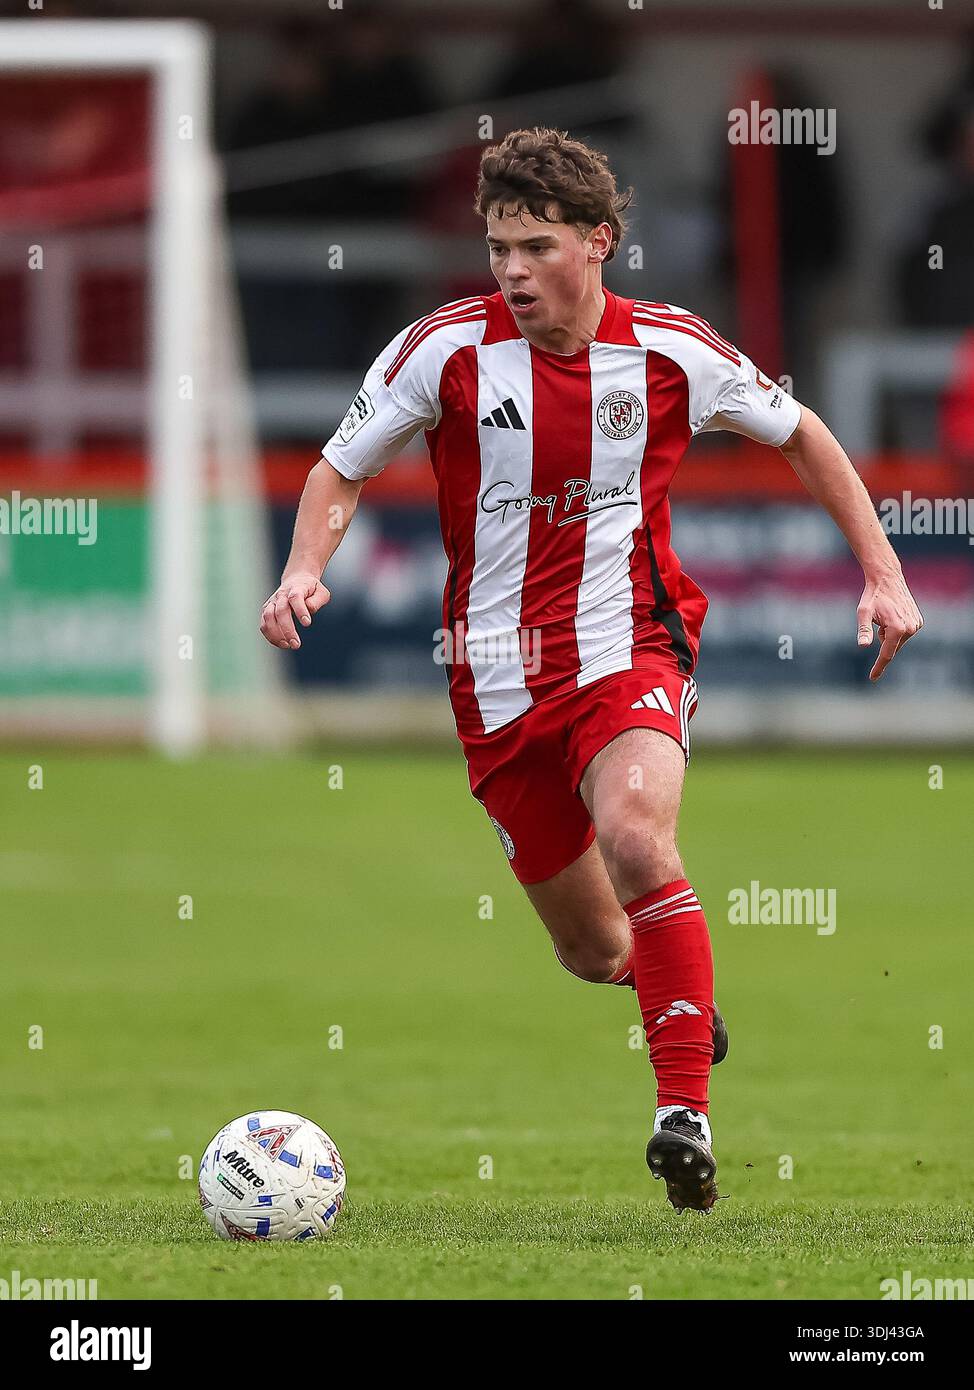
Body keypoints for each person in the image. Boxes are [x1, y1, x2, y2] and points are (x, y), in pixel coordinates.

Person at [260, 128, 923, 1214]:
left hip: (629, 650)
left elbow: (801, 432)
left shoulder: (670, 348)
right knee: (589, 947)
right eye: (494, 249)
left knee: (635, 837)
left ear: (598, 242)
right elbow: (340, 466)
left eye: (532, 245)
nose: (510, 270)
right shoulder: (441, 350)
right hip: (494, 681)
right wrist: (300, 568)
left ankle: (681, 1112)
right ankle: (667, 990)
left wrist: (881, 572)